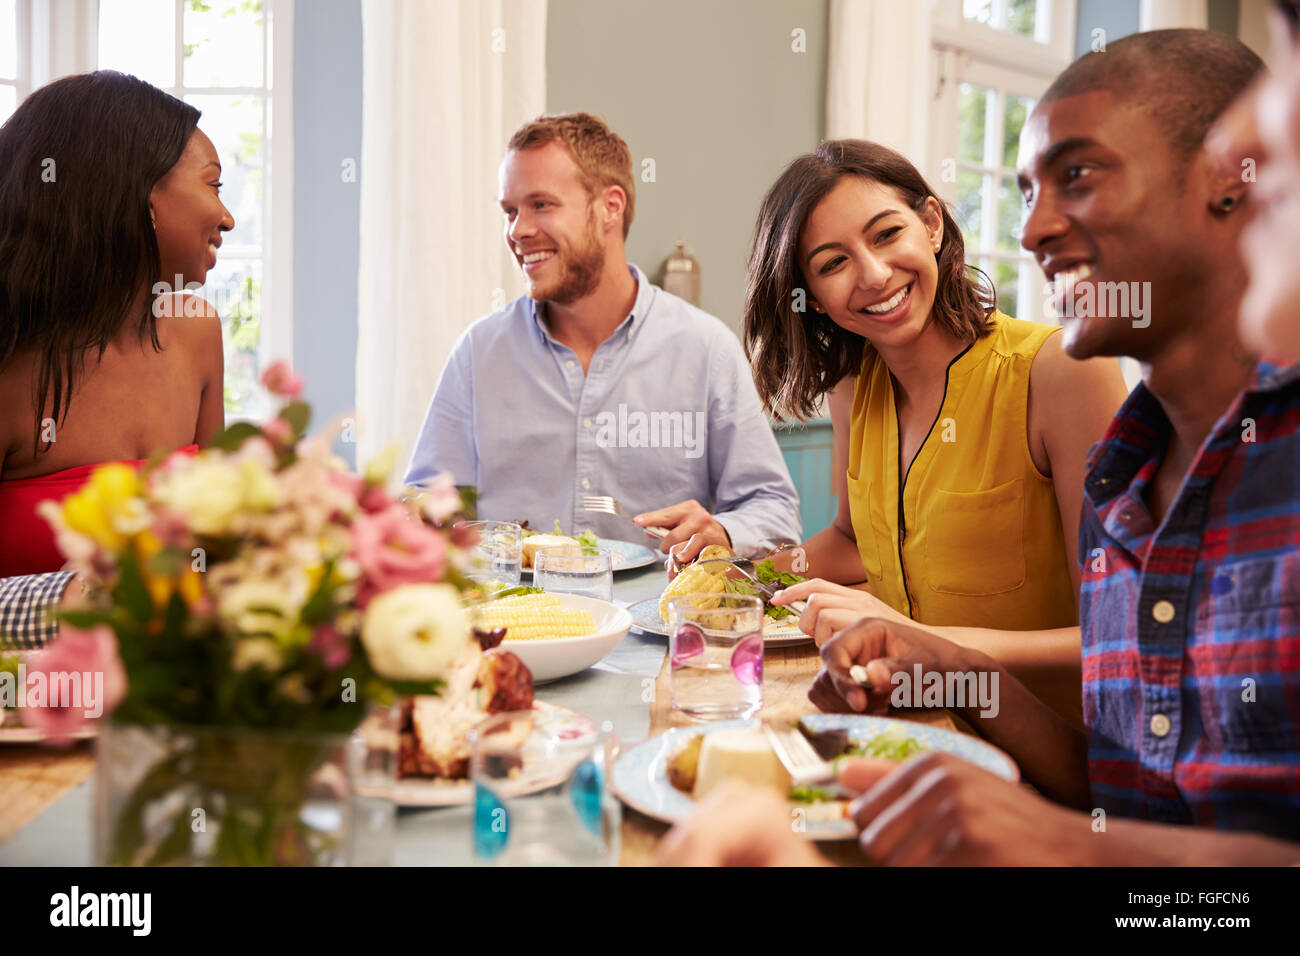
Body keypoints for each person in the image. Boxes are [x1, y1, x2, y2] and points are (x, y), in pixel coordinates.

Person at [662, 28, 1300, 866]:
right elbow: (1106, 784)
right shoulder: (1136, 464)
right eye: (832, 262)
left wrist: (1060, 835)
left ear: (1237, 175)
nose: (1032, 229)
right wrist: (933, 661)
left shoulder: (1071, 383)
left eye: (1076, 176)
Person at [704, 140, 1127, 720]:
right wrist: (738, 576)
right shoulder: (853, 386)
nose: (874, 274)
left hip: (1054, 755)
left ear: (931, 225)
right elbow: (854, 543)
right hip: (914, 720)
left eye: (885, 235)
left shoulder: (1062, 372)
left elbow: (1119, 639)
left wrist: (914, 641)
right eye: (833, 263)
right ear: (815, 301)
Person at [403, 113, 801, 557]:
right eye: (510, 211)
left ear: (611, 207)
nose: (518, 231)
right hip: (514, 622)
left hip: (654, 623)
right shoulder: (479, 352)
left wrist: (724, 533)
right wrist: (417, 511)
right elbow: (427, 497)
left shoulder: (706, 350)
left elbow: (774, 512)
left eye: (541, 204)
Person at [0, 71, 230, 577]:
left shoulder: (196, 332)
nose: (227, 217)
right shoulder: (9, 359)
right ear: (141, 197)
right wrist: (70, 604)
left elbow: (220, 552)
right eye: (213, 184)